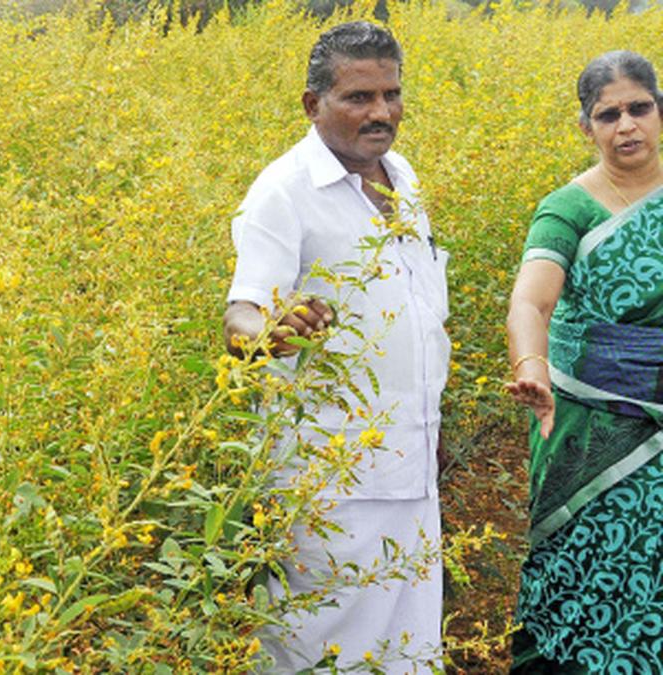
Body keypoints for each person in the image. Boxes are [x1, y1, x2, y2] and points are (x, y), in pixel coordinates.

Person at [223, 21, 449, 673]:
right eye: (358, 97)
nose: (381, 112)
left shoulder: (403, 178)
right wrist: (270, 331)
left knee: (408, 646)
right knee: (321, 644)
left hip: (410, 464)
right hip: (328, 480)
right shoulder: (283, 191)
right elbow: (242, 312)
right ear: (312, 104)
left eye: (391, 94)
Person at [505, 50, 663, 673]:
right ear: (586, 127)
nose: (626, 125)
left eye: (639, 108)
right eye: (608, 114)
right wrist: (531, 364)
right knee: (582, 571)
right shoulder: (568, 208)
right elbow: (530, 300)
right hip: (587, 426)